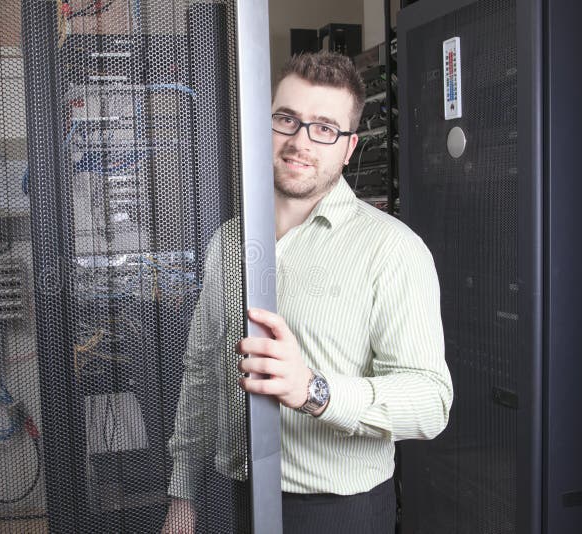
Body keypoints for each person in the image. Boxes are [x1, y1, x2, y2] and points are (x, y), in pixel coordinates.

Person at [163, 50, 453, 534]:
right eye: (287, 119)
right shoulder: (228, 240)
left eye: (324, 128)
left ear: (349, 147)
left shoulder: (392, 249)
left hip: (338, 511)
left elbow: (431, 401)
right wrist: (183, 495)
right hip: (239, 495)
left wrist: (313, 391)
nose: (300, 141)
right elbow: (201, 370)